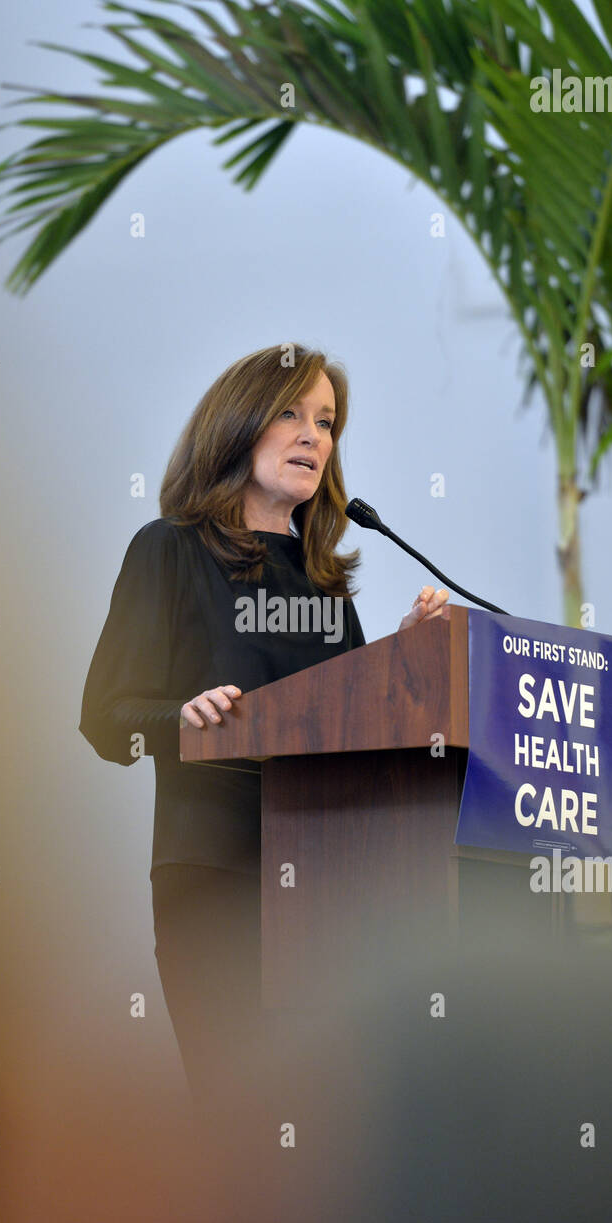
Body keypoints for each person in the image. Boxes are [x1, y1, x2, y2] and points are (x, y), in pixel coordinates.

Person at [79, 344, 449, 1127]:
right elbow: (107, 718)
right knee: (243, 1127)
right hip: (214, 873)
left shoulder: (322, 583)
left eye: (326, 421)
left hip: (329, 883)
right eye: (291, 413)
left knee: (328, 1142)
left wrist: (403, 653)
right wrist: (179, 718)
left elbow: (350, 726)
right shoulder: (169, 549)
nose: (314, 435)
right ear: (238, 424)